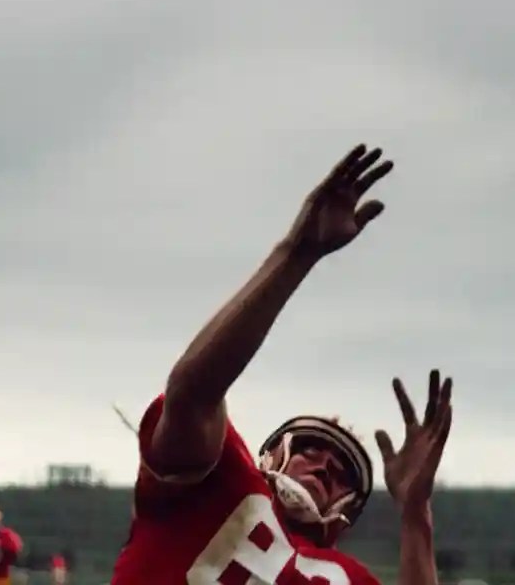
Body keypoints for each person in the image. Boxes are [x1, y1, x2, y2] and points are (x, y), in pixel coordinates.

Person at [110, 144, 454, 585]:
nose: (324, 468)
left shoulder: (349, 576)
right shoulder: (218, 482)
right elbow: (192, 395)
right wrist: (296, 254)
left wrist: (415, 515)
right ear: (270, 455)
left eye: (341, 475)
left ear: (343, 518)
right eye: (310, 449)